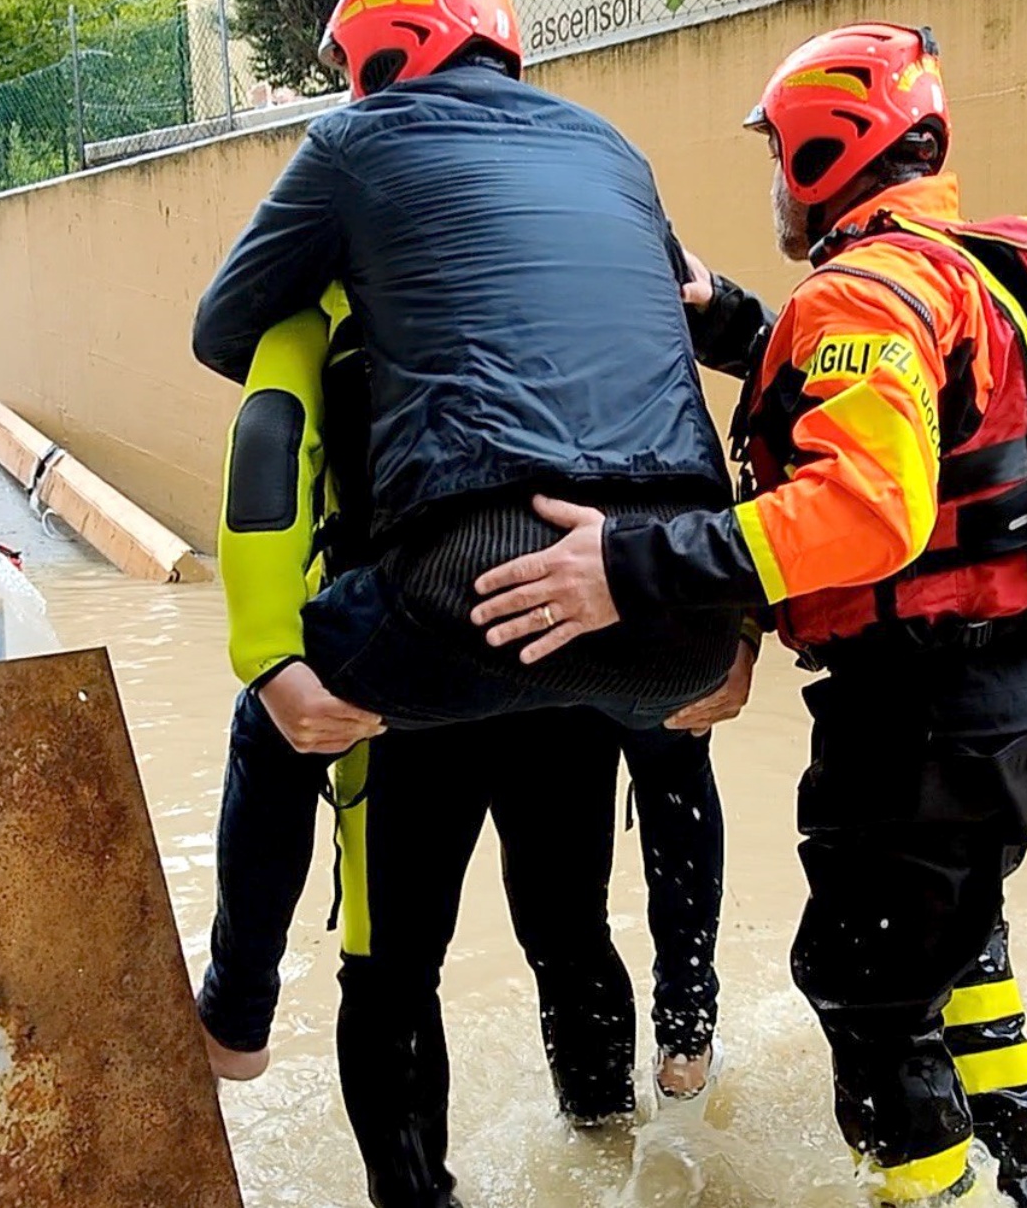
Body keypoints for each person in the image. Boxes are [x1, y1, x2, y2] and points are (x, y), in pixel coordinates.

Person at [470, 23, 1027, 1207]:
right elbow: (908, 404)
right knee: (958, 937)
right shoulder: (966, 267)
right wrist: (722, 313)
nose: (775, 183)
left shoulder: (860, 297)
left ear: (824, 154)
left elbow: (865, 508)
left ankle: (937, 1191)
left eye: (778, 156)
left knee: (869, 995)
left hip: (927, 714)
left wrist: (628, 567)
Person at [197, 289, 749, 1206]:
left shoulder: (318, 304)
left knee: (392, 966)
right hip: (572, 644)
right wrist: (731, 622)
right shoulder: (572, 281)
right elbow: (683, 439)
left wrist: (269, 655)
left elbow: (268, 450)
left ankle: (245, 1022)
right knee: (570, 927)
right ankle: (630, 1121)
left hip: (404, 675)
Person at [192, 0, 741, 735]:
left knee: (268, 717)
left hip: (470, 589)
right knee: (661, 735)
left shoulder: (355, 140)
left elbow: (225, 326)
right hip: (690, 603)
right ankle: (683, 822)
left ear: (381, 51)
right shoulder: (616, 150)